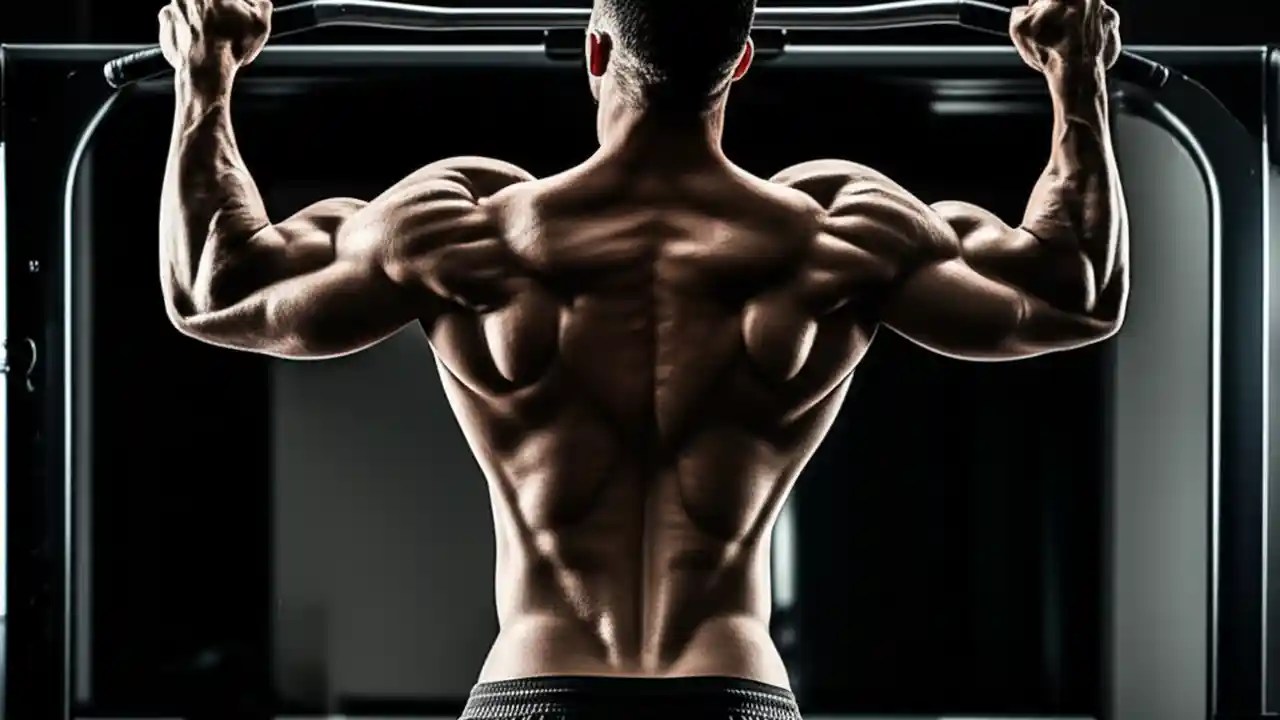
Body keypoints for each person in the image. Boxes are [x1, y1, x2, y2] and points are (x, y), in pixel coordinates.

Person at [155, 0, 1127, 717]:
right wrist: (1073, 77)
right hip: (732, 685)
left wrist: (205, 82)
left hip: (532, 682)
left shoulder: (469, 227)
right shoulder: (831, 234)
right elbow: (1067, 295)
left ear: (591, 47)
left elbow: (219, 292)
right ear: (742, 61)